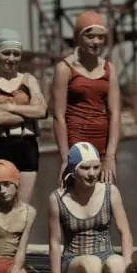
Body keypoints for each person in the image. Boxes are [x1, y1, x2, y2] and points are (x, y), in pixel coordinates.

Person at [48, 141, 133, 273]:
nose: (92, 173)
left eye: (96, 167)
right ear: (73, 169)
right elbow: (55, 243)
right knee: (91, 264)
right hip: (74, 263)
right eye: (85, 168)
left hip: (105, 254)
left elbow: (124, 232)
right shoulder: (58, 198)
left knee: (117, 265)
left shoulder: (111, 192)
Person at [0, 28, 48, 203]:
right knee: (1, 208)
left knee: (22, 208)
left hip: (27, 145)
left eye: (16, 54)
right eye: (6, 53)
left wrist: (7, 106)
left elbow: (43, 111)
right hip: (0, 145)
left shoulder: (29, 79)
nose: (11, 59)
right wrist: (30, 112)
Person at [51, 10, 121, 186]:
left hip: (103, 145)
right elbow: (58, 116)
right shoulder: (64, 68)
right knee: (77, 200)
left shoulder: (109, 69)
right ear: (78, 37)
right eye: (90, 36)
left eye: (100, 37)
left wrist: (111, 155)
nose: (96, 42)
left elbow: (115, 113)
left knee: (105, 198)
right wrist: (65, 158)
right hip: (76, 143)